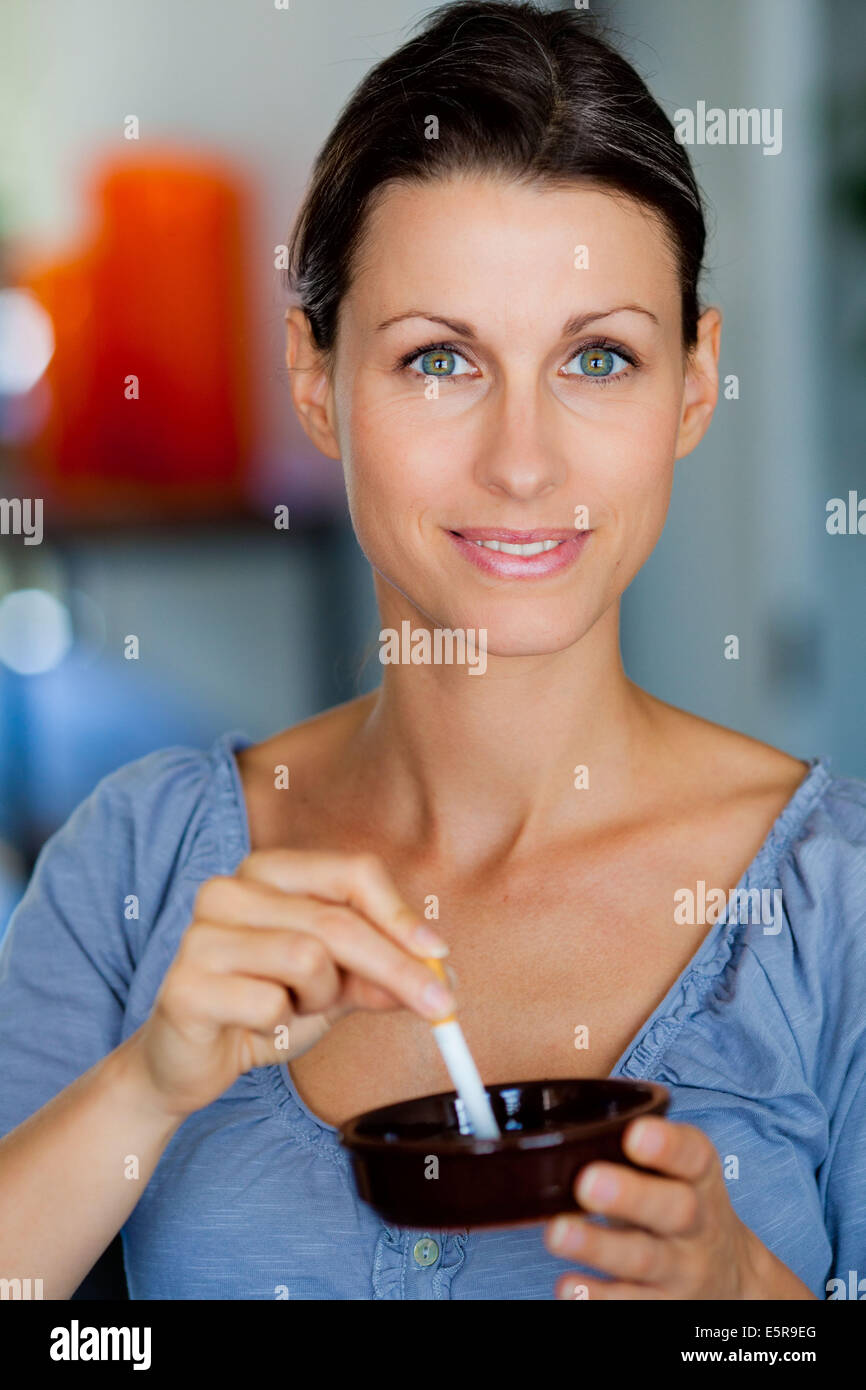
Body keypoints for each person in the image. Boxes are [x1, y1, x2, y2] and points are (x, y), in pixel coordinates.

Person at [1, 0, 863, 1301]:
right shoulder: (134, 866)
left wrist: (750, 1308)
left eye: (597, 357)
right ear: (315, 376)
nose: (521, 461)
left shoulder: (835, 907)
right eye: (441, 359)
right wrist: (150, 1080)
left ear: (693, 383)